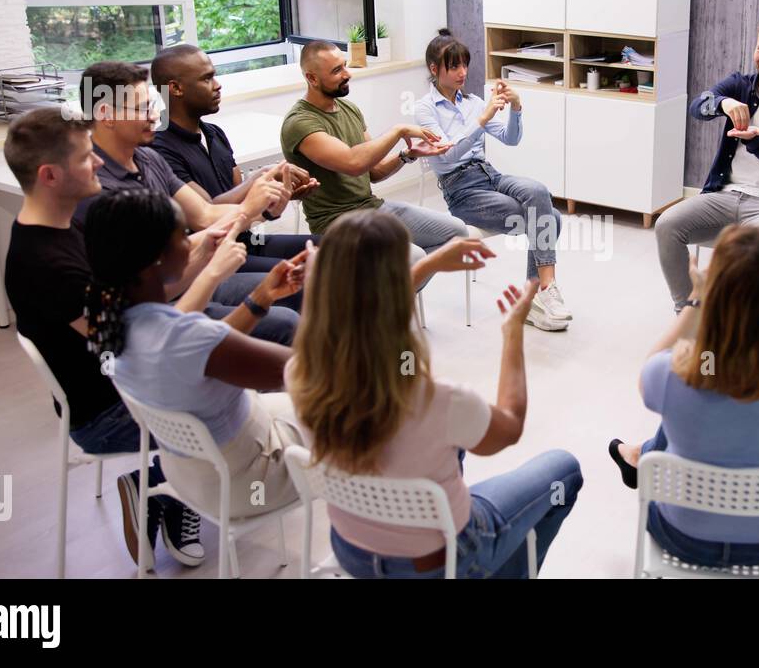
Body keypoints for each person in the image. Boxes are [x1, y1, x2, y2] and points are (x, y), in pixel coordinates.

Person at [288, 209, 583, 578]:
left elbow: (361, 310)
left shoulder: (300, 372)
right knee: (564, 470)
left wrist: (430, 263)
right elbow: (508, 427)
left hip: (353, 551)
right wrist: (512, 334)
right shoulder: (436, 401)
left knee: (449, 448)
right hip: (439, 562)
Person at [1, 108, 204, 569]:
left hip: (128, 376)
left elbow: (133, 305)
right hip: (108, 413)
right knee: (224, 400)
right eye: (86, 156)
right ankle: (162, 486)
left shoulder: (65, 227)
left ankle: (172, 483)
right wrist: (208, 275)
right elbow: (140, 342)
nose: (98, 162)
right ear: (50, 175)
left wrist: (200, 254)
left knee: (228, 355)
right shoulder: (46, 265)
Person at [607, 225, 759, 569]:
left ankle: (640, 455)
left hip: (682, 536)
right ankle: (640, 453)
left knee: (681, 417)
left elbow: (650, 368)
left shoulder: (676, 379)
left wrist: (696, 300)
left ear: (718, 295)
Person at [83, 188, 308, 521]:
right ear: (157, 258)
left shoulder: (109, 322)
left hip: (190, 475)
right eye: (182, 237)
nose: (191, 244)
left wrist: (261, 298)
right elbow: (308, 373)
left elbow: (206, 352)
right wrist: (324, 292)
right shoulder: (186, 336)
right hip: (248, 482)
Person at [73, 60, 300, 345]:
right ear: (106, 115)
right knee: (285, 321)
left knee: (298, 285)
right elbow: (153, 272)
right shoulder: (98, 188)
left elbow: (205, 214)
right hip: (160, 303)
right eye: (142, 109)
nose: (154, 116)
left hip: (192, 276)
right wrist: (247, 210)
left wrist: (263, 210)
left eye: (151, 105)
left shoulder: (148, 157)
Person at [656, 14, 759, 312]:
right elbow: (697, 106)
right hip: (726, 194)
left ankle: (744, 324)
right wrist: (723, 102)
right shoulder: (738, 85)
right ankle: (689, 311)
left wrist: (753, 139)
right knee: (667, 225)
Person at [412, 29, 571, 330]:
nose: (462, 72)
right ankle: (534, 298)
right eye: (454, 66)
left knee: (539, 192)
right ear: (434, 69)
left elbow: (511, 138)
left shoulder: (472, 102)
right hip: (461, 191)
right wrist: (482, 118)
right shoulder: (424, 109)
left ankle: (543, 289)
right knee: (550, 218)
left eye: (464, 65)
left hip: (489, 175)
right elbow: (447, 155)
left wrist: (516, 107)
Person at [280, 40, 469, 262]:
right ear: (312, 78)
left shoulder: (349, 109)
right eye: (337, 70)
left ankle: (384, 280)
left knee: (457, 232)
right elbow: (353, 163)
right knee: (413, 257)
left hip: (372, 208)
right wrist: (398, 130)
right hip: (336, 224)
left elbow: (375, 171)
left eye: (344, 65)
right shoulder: (300, 123)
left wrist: (407, 155)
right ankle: (383, 279)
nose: (347, 74)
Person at [148, 44, 323, 274]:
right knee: (311, 272)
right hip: (212, 258)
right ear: (176, 88)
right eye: (207, 79)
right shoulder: (160, 149)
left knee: (336, 246)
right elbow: (207, 214)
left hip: (246, 241)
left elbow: (241, 206)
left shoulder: (214, 133)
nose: (217, 85)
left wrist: (278, 197)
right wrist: (258, 178)